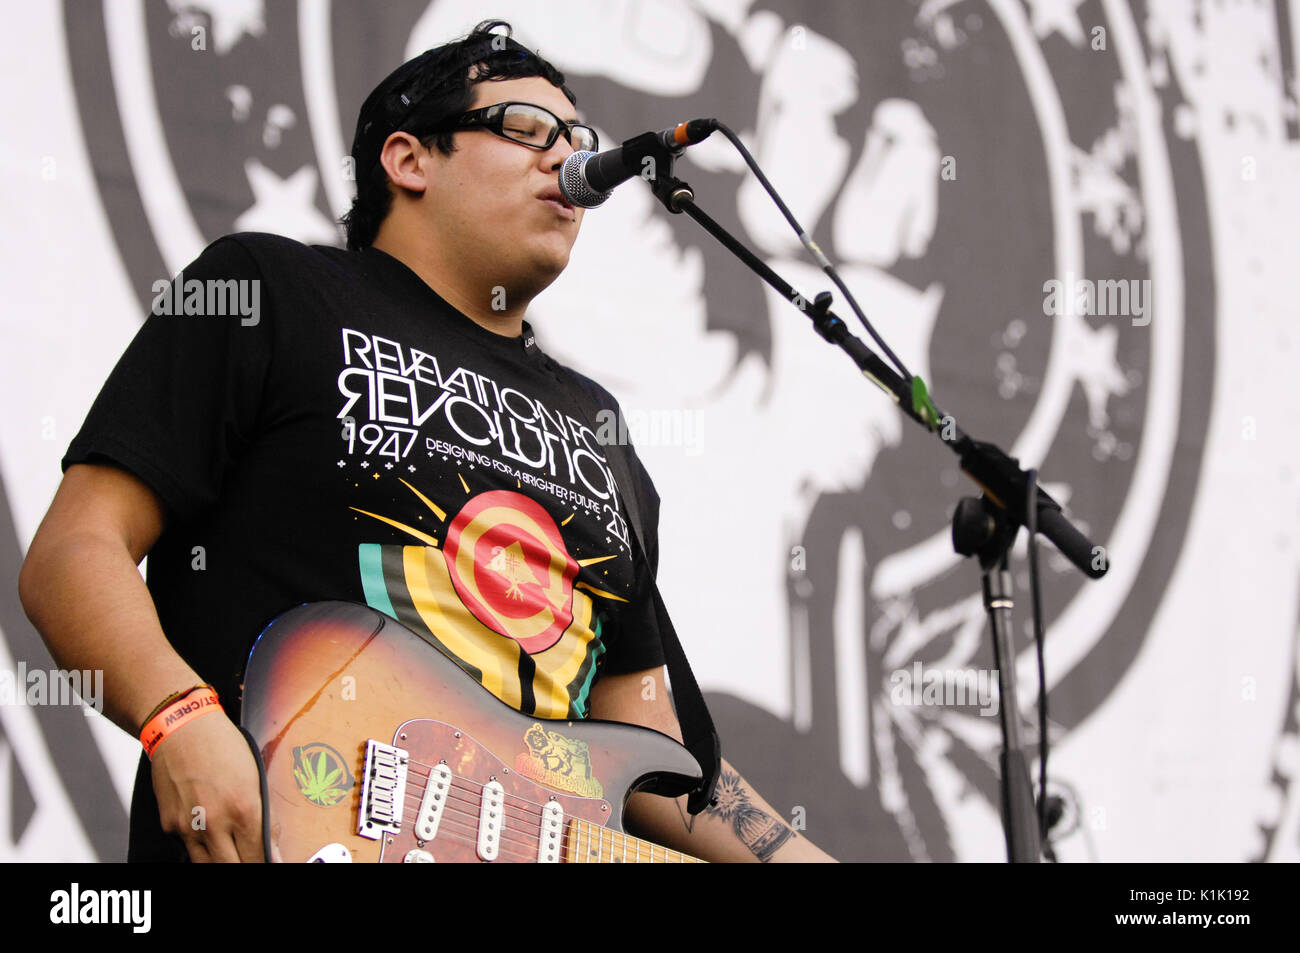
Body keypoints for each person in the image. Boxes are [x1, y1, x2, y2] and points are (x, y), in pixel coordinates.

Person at [18, 20, 833, 863]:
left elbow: (658, 756)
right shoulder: (272, 290)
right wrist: (178, 718)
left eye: (577, 137)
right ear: (408, 160)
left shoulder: (599, 425)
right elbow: (74, 551)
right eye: (525, 128)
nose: (567, 160)